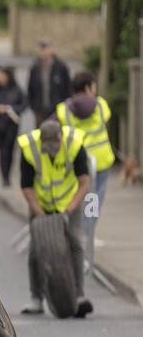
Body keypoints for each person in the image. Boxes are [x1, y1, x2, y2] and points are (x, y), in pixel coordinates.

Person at [18, 119, 92, 317]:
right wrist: (40, 215)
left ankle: (79, 295)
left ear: (61, 138)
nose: (50, 150)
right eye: (46, 147)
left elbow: (84, 183)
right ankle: (36, 298)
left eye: (54, 146)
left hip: (69, 202)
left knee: (76, 243)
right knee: (35, 250)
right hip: (41, 204)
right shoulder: (29, 148)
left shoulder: (75, 145)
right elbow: (26, 187)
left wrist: (69, 211)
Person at [56, 71, 116, 270]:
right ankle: (87, 239)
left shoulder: (63, 110)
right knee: (95, 202)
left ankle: (82, 237)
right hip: (101, 162)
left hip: (79, 163)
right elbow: (106, 116)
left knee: (82, 202)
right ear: (90, 87)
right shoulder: (100, 105)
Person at [0, 66, 27, 187]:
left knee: (10, 150)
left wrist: (12, 109)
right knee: (2, 151)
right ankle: (4, 176)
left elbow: (24, 105)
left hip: (12, 125)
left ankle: (8, 175)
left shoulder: (17, 90)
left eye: (2, 75)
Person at [25, 41, 71, 124]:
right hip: (39, 109)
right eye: (41, 50)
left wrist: (64, 104)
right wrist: (33, 106)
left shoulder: (61, 67)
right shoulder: (35, 68)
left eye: (46, 49)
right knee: (40, 132)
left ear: (52, 50)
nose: (44, 53)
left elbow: (67, 87)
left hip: (57, 109)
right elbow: (30, 88)